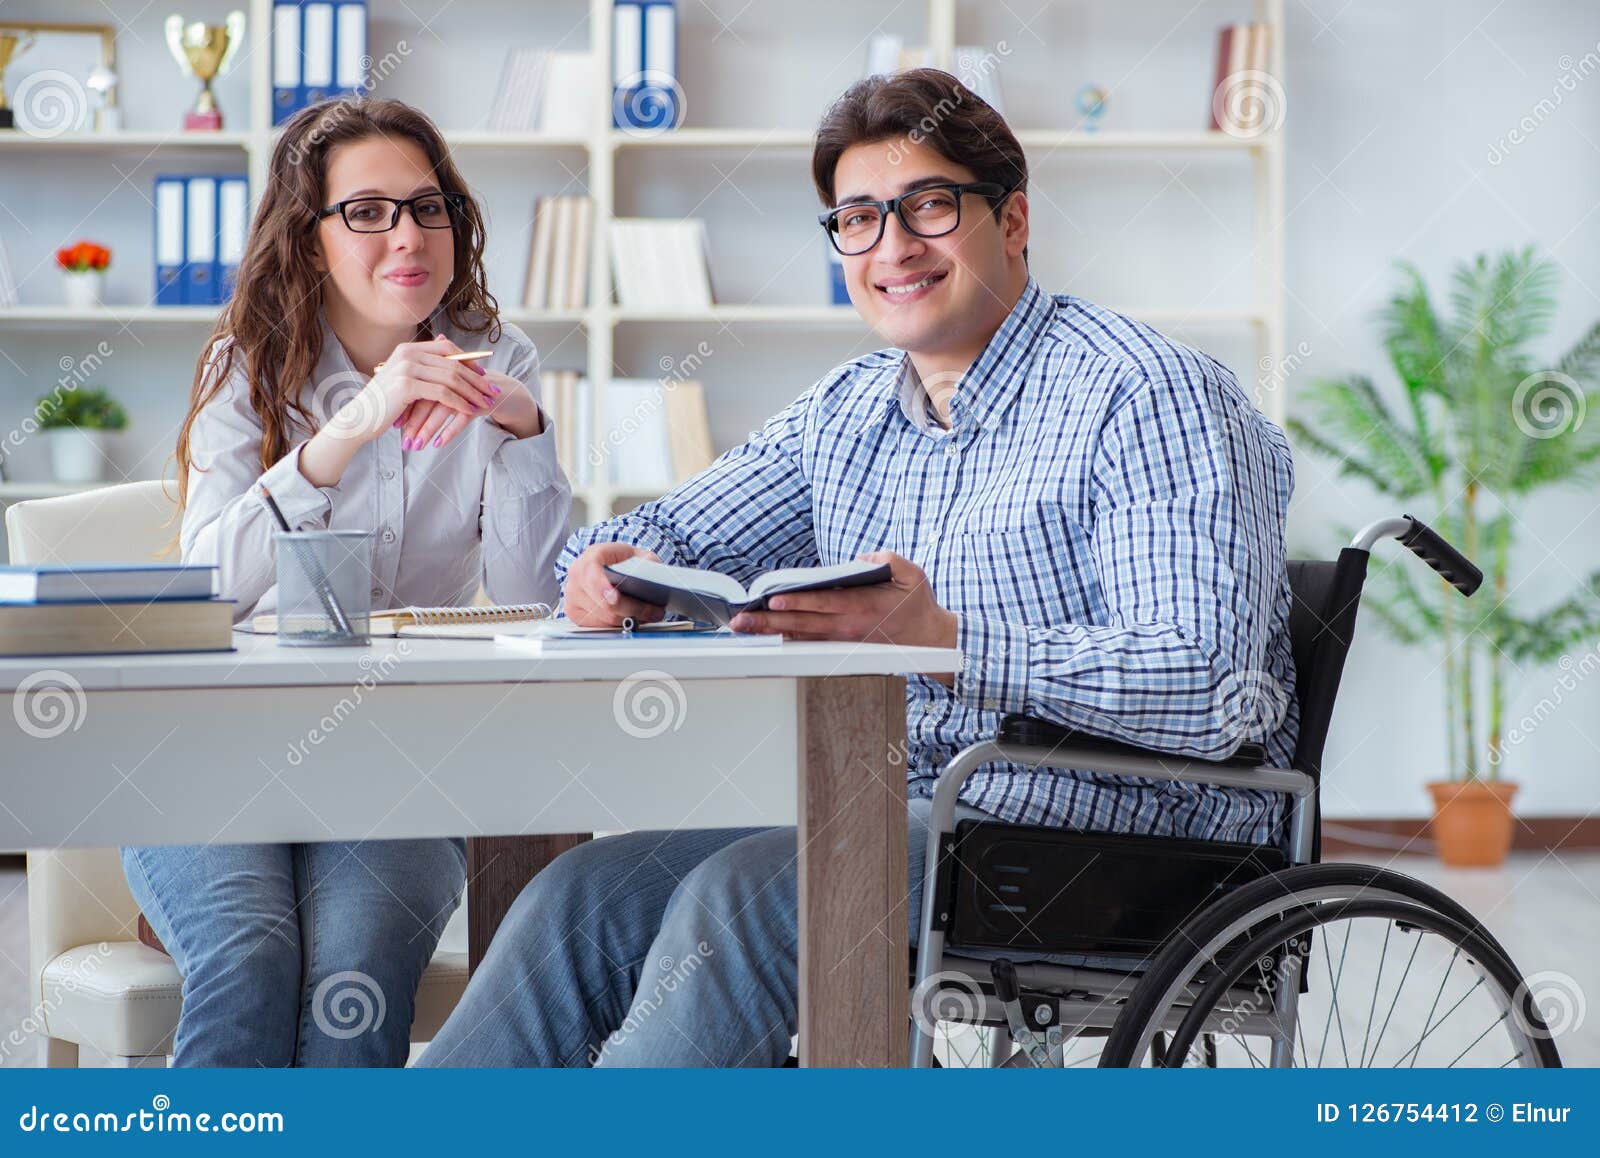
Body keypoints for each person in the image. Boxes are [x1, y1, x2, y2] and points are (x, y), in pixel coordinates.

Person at [420, 68, 1296, 1068]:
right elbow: (664, 533)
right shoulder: (847, 410)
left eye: (929, 206)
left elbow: (1215, 690)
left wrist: (948, 643)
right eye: (858, 220)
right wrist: (602, 566)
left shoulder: (1149, 394)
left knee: (749, 894)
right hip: (907, 809)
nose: (892, 249)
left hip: (1134, 837)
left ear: (1011, 221)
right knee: (580, 898)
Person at [122, 98, 571, 1067]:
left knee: (354, 981)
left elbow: (529, 601)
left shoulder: (503, 361)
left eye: (428, 206)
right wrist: (348, 430)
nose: (406, 235)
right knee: (250, 957)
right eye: (366, 211)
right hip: (214, 756)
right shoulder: (243, 365)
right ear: (311, 239)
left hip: (397, 762)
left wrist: (524, 435)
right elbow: (210, 586)